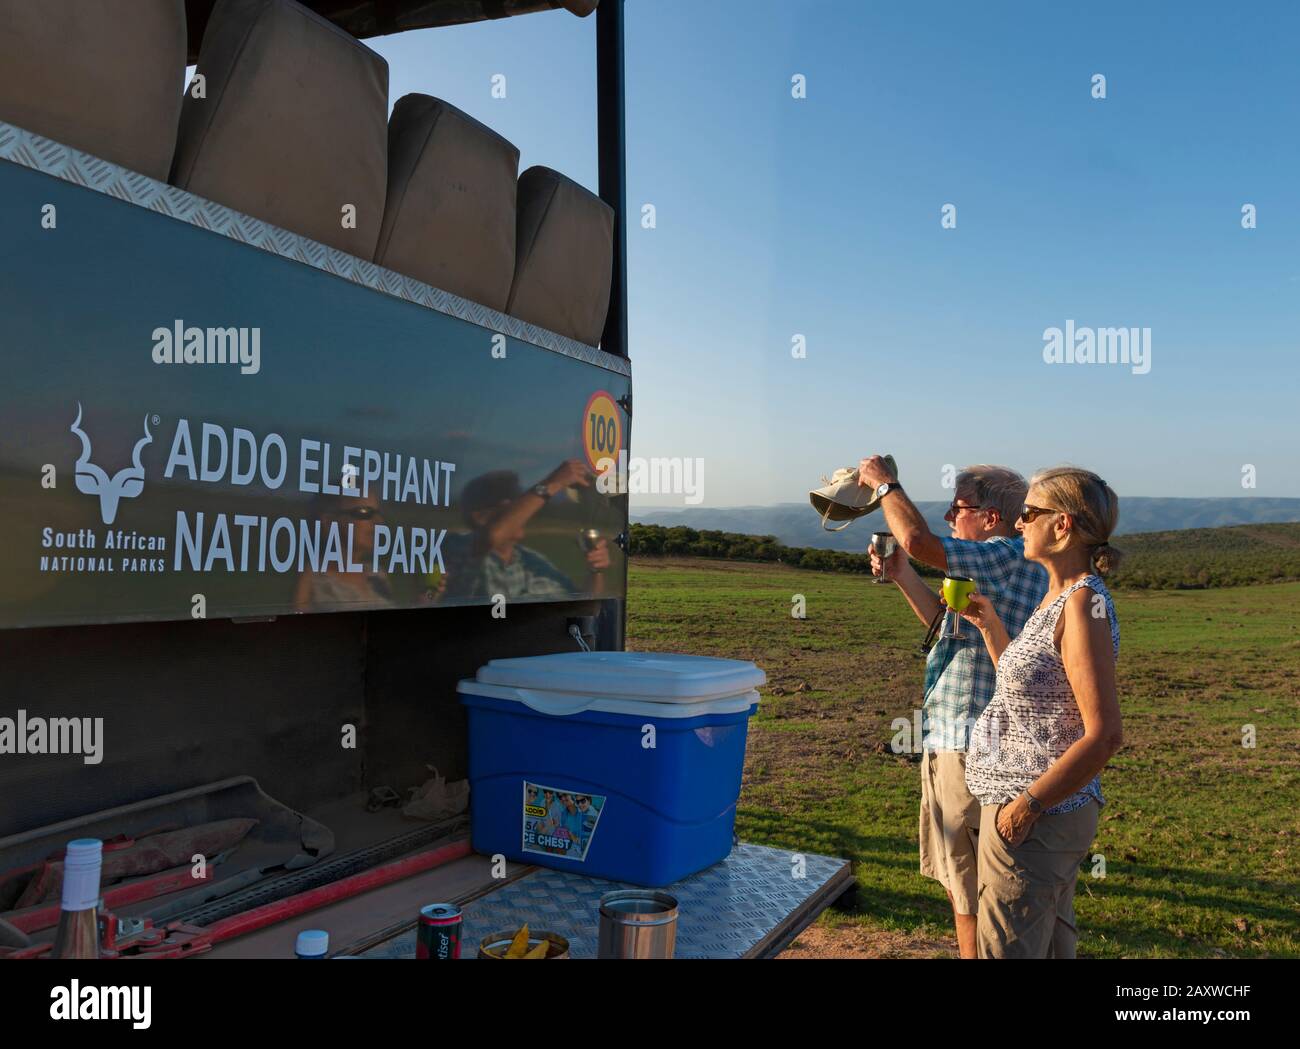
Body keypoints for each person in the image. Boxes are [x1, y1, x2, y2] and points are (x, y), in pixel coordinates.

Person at [858, 456, 1048, 959]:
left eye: (957, 507)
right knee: (982, 883)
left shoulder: (1003, 555)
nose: (947, 517)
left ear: (991, 517)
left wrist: (884, 485)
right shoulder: (1002, 565)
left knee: (970, 889)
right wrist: (902, 575)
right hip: (974, 737)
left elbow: (920, 540)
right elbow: (950, 630)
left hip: (970, 742)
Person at [958, 466, 1123, 959]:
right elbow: (1031, 694)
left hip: (1035, 816)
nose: (1019, 523)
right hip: (1035, 812)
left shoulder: (1081, 603)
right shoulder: (1059, 595)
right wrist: (990, 628)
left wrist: (1025, 808)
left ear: (1062, 525)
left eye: (1029, 513)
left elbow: (1105, 734)